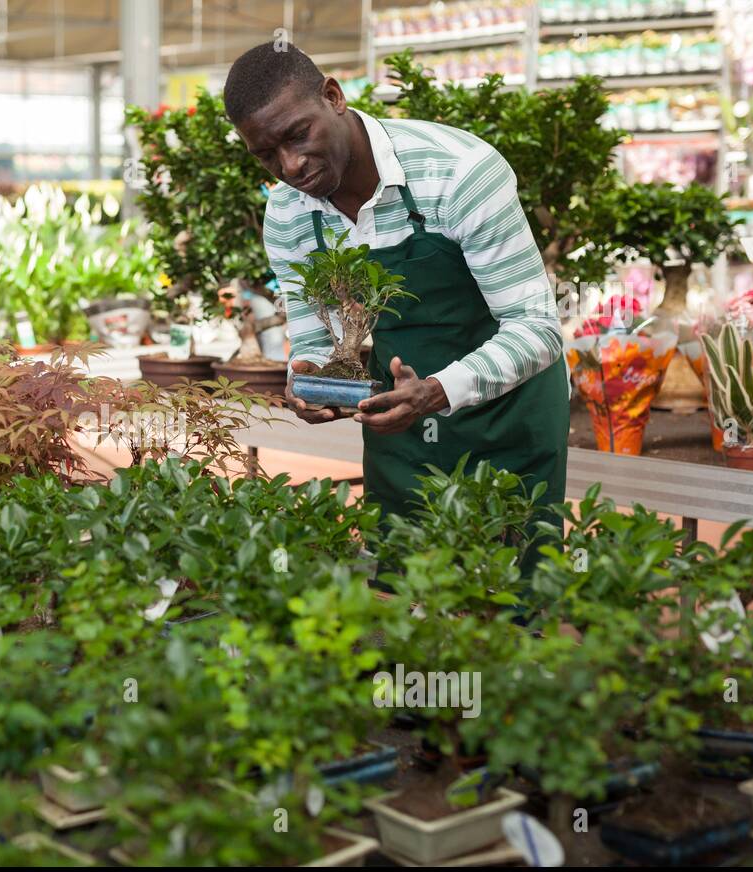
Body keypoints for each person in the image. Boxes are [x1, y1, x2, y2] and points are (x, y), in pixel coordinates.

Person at [223, 43, 569, 552]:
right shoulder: (288, 215)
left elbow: (536, 328)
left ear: (334, 97)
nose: (291, 165)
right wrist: (310, 378)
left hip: (507, 421)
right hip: (400, 428)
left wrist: (434, 392)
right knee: (401, 603)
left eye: (298, 135)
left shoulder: (459, 172)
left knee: (509, 607)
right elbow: (315, 337)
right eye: (266, 154)